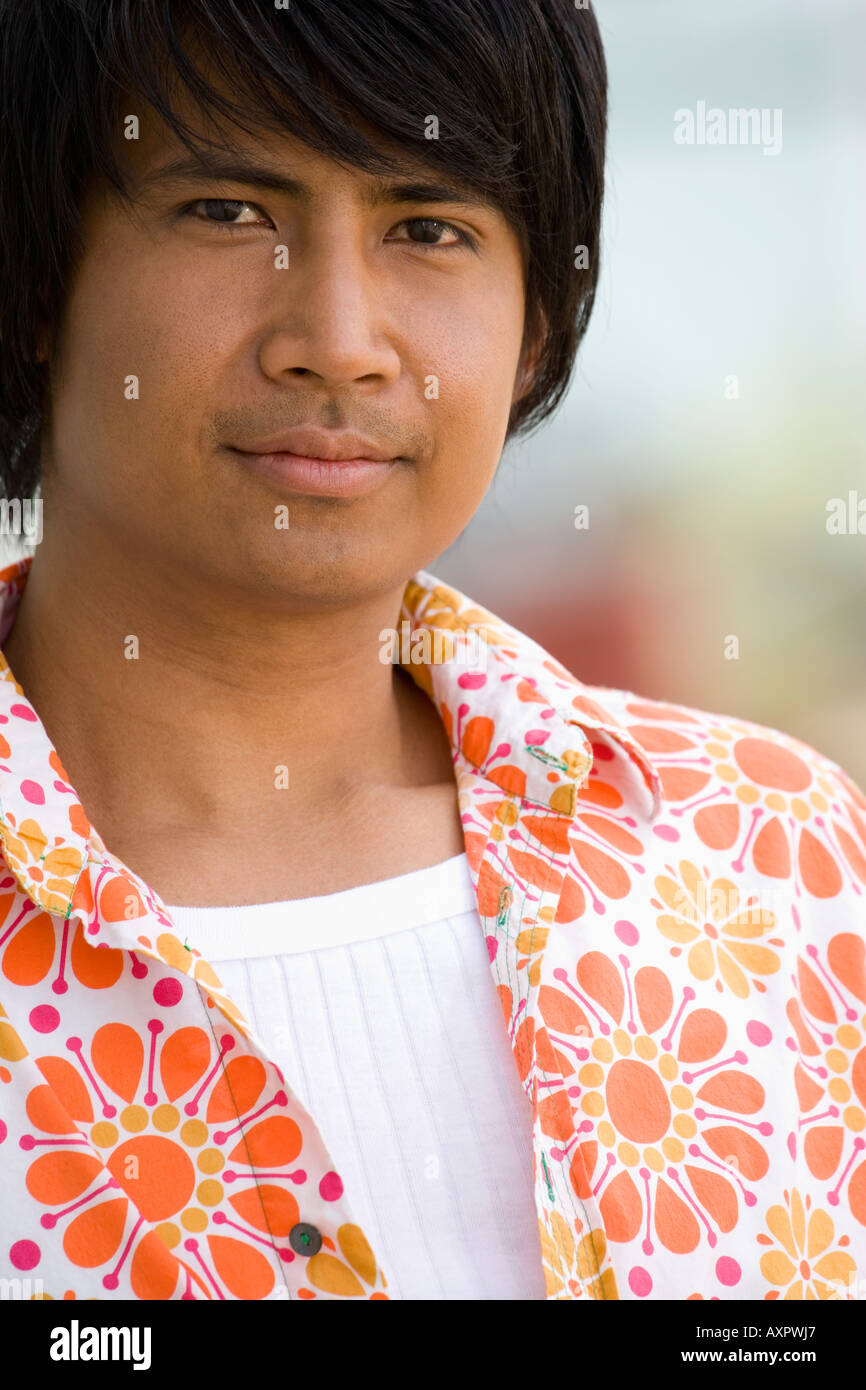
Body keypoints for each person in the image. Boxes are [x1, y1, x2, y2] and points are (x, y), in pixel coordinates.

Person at [0, 0, 863, 1303]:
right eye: (228, 209)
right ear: (34, 275)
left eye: (428, 228)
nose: (338, 339)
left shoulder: (776, 862)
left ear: (531, 322)